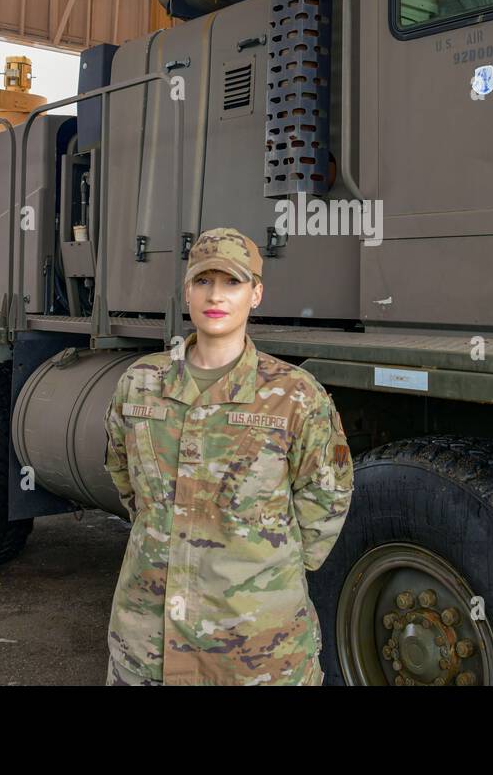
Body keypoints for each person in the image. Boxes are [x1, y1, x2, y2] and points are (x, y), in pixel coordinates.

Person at [103, 226, 353, 685]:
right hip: (147, 644)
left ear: (256, 294)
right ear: (186, 291)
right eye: (203, 281)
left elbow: (325, 503)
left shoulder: (294, 396)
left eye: (232, 282)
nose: (215, 295)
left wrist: (258, 564)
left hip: (255, 652)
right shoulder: (139, 383)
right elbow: (126, 478)